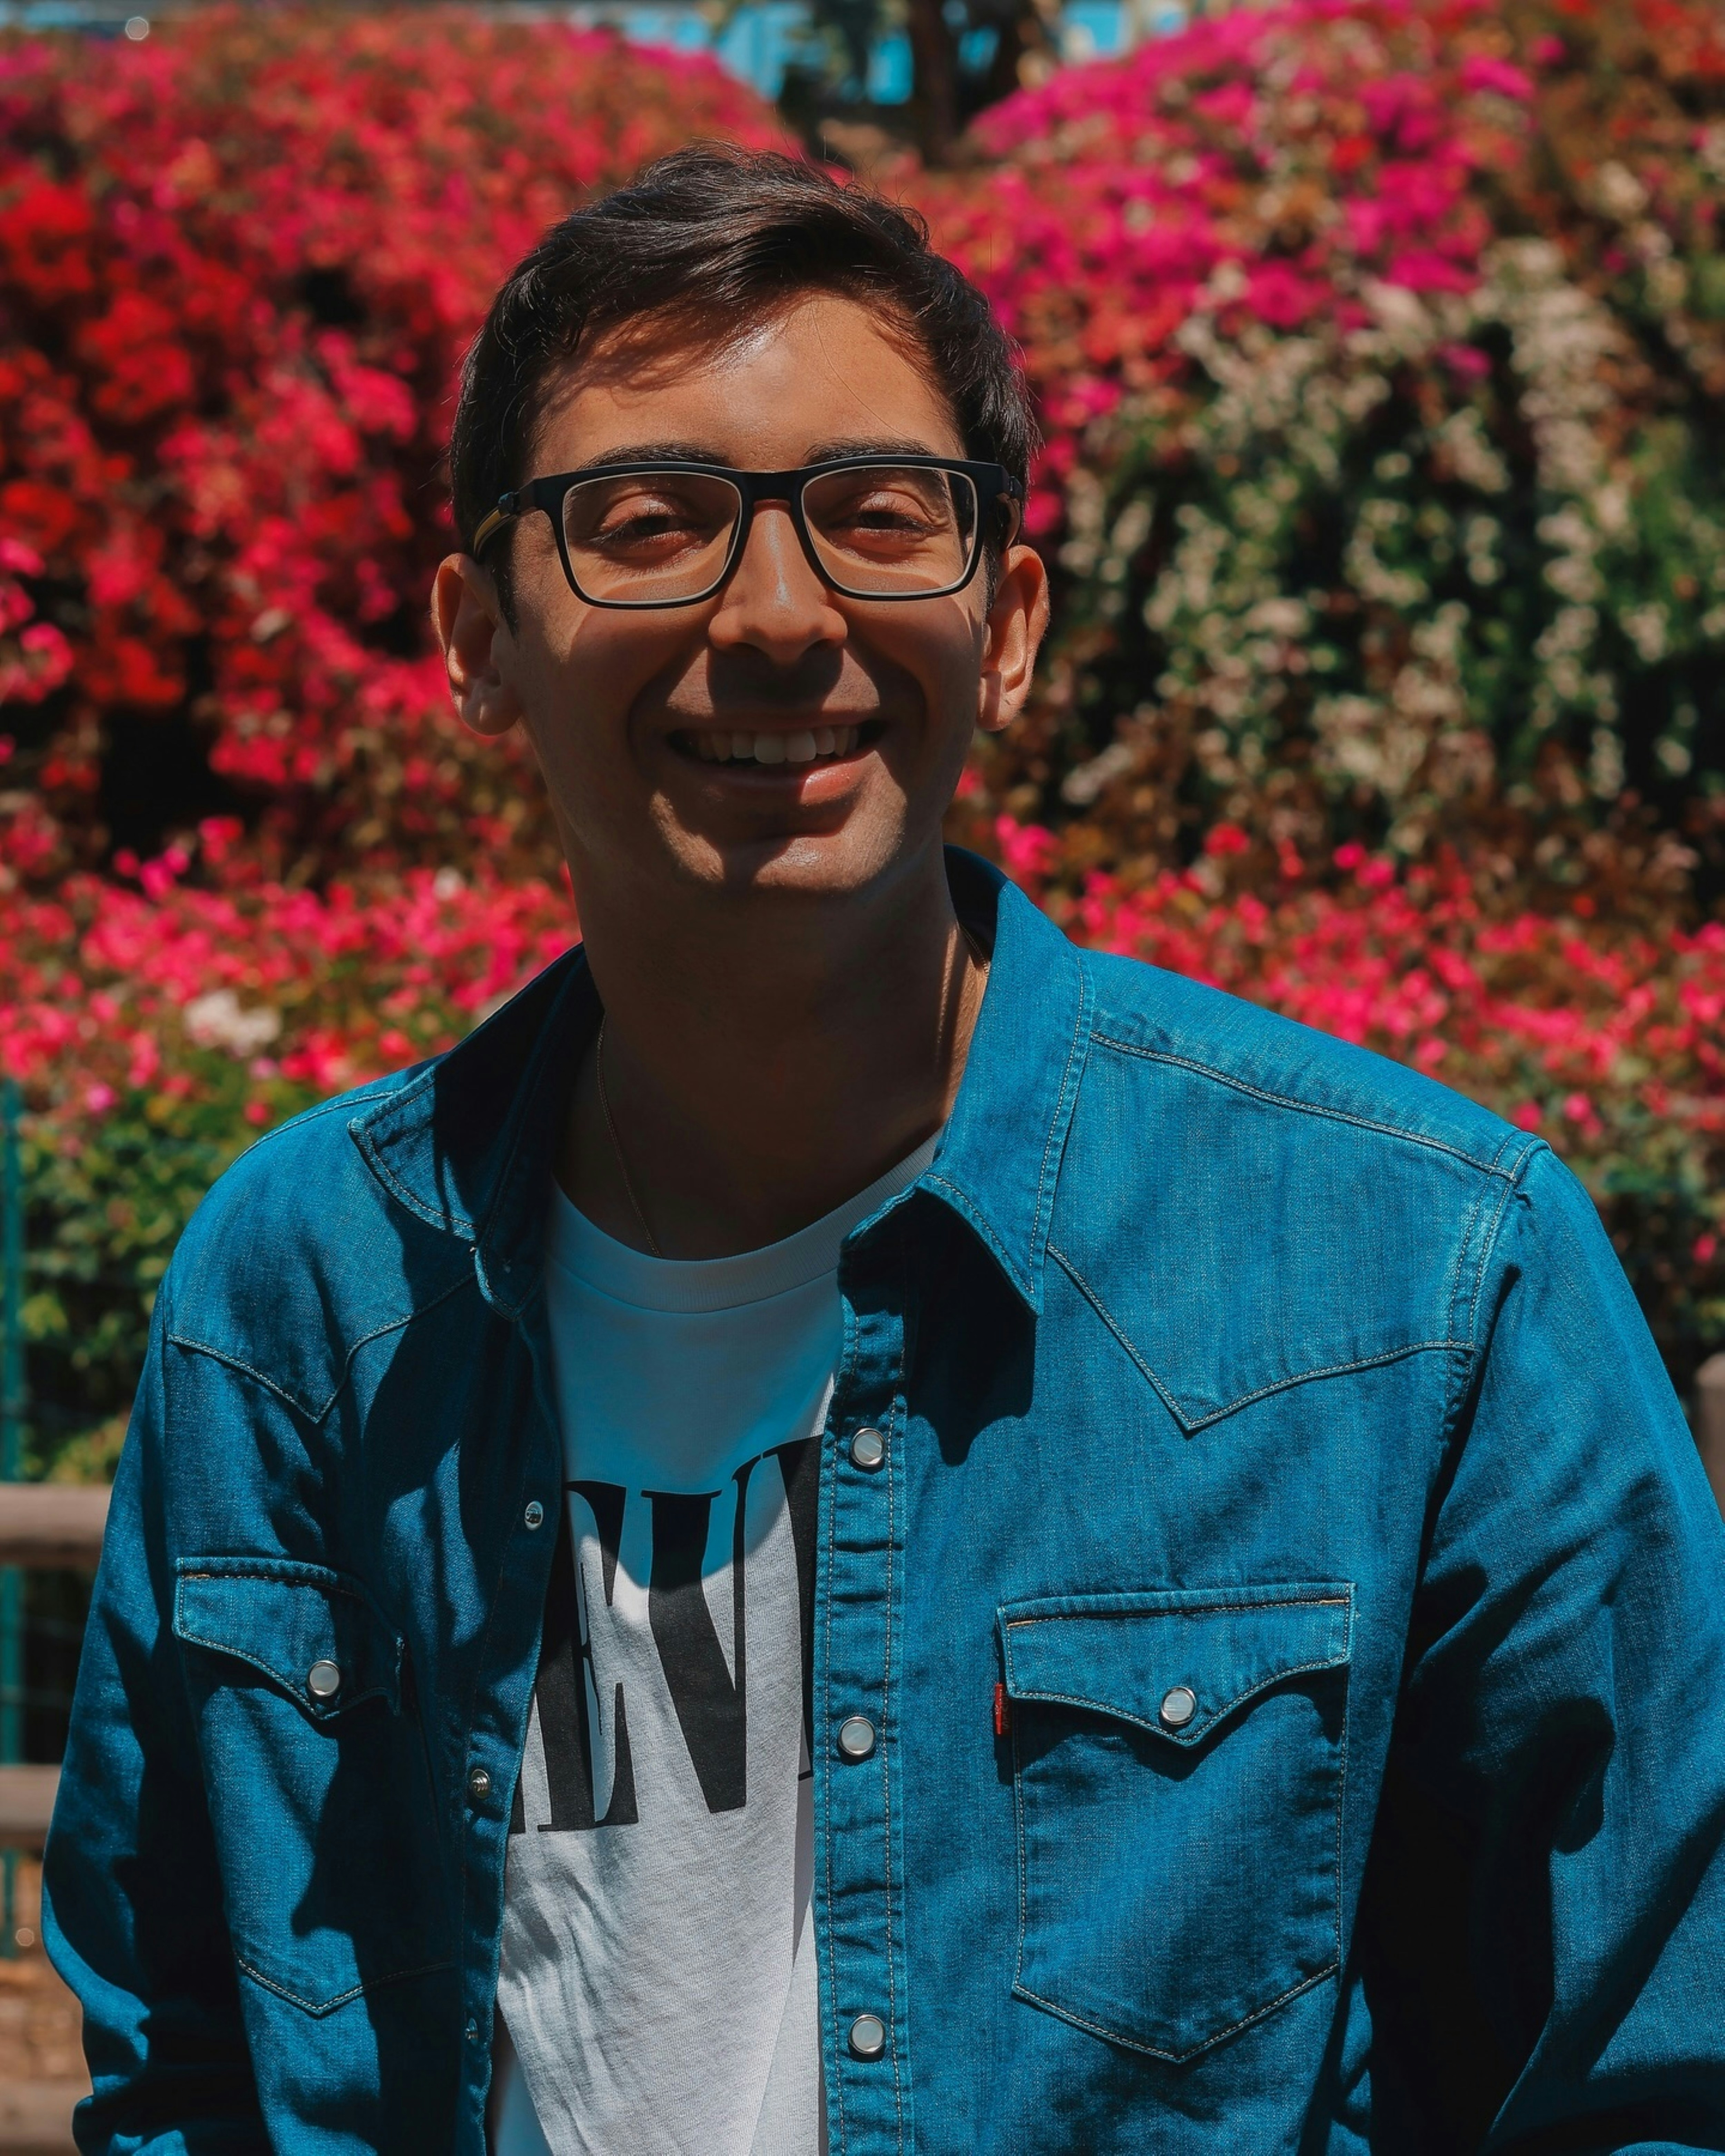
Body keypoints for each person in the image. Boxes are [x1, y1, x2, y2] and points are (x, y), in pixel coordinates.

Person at [43, 145, 1725, 2156]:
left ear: (1003, 622)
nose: (778, 615)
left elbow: (1659, 2083)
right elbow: (188, 2068)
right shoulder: (303, 1297)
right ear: (478, 635)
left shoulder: (1423, 1278)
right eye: (648, 522)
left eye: (878, 515)